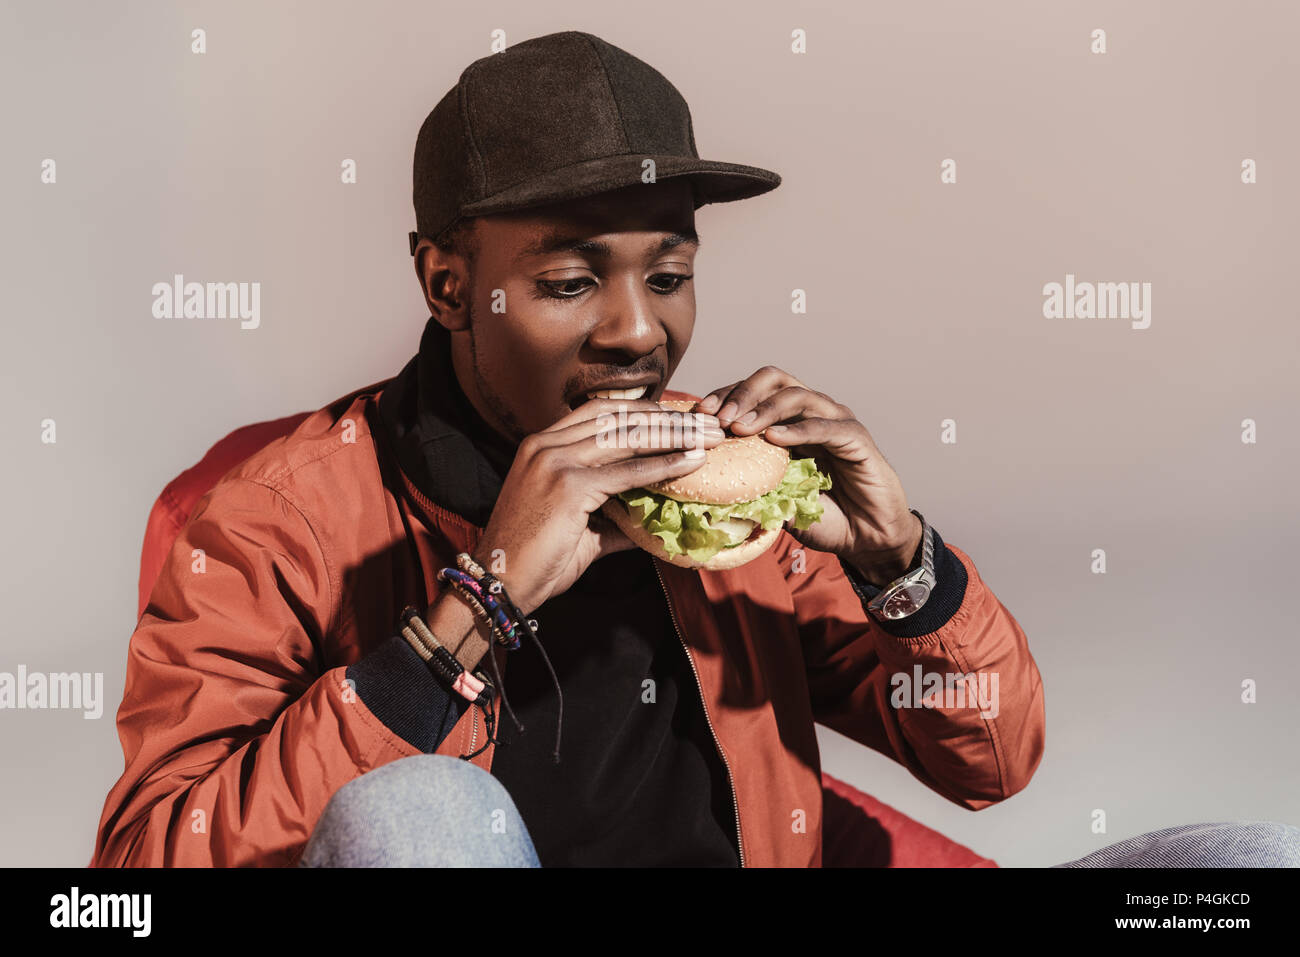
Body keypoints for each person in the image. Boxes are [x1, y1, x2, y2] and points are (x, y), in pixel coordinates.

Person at [91, 30, 1294, 869]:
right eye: (568, 282)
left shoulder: (724, 503)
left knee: (1241, 865)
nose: (635, 332)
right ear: (448, 283)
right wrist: (470, 610)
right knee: (418, 813)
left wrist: (899, 560)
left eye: (669, 276)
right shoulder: (275, 514)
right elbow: (136, 880)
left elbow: (992, 761)